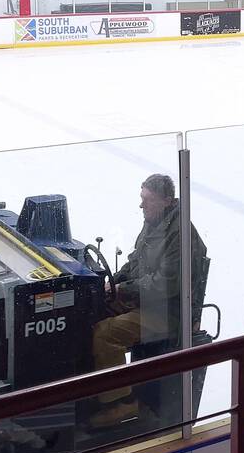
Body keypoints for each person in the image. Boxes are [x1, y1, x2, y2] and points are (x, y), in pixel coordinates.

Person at [89, 174, 207, 428]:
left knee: (105, 333)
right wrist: (114, 281)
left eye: (147, 200)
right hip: (147, 302)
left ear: (167, 201)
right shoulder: (154, 222)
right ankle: (96, 389)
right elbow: (135, 260)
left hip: (169, 313)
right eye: (141, 199)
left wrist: (125, 289)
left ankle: (121, 403)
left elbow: (165, 284)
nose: (141, 206)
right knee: (90, 312)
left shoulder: (182, 235)